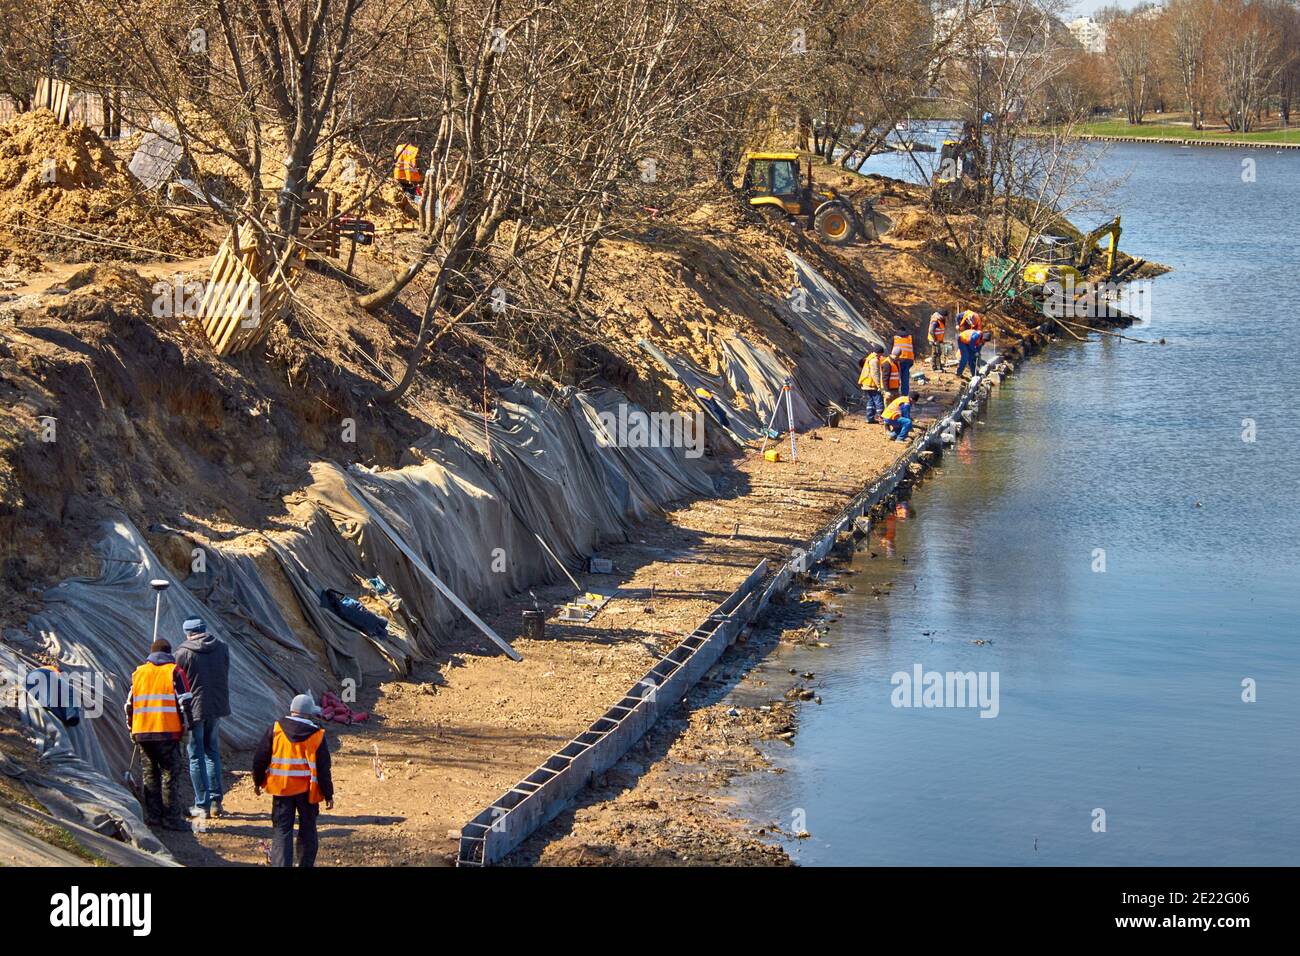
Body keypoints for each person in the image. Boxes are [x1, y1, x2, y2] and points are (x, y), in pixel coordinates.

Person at [254, 694, 334, 868]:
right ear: (309, 713)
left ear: (291, 709)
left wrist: (258, 781)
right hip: (307, 792)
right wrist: (329, 794)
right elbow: (323, 768)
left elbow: (260, 758)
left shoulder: (275, 729)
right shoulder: (317, 735)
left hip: (282, 790)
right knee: (307, 830)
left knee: (282, 831)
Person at [125, 639, 194, 831]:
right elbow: (185, 702)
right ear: (169, 653)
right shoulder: (175, 672)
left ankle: (154, 817)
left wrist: (132, 729)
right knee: (170, 775)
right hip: (167, 732)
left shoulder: (138, 673)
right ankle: (171, 818)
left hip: (143, 733)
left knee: (150, 775)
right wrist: (188, 726)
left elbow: (129, 705)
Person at [175, 617, 230, 820]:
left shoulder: (182, 653)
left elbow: (177, 682)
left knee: (195, 755)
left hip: (194, 710)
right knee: (212, 751)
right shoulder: (222, 648)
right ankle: (216, 802)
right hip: (216, 707)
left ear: (187, 632)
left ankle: (202, 804)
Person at [857, 345, 885, 423]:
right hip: (872, 384)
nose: (881, 356)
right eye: (881, 354)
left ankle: (870, 418)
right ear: (879, 353)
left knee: (870, 402)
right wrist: (879, 385)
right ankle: (881, 419)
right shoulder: (874, 360)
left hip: (866, 384)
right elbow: (875, 374)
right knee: (878, 401)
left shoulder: (869, 358)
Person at [892, 328, 915, 396]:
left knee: (895, 376)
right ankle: (904, 394)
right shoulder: (910, 338)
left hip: (898, 359)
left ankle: (895, 393)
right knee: (905, 378)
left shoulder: (895, 338)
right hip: (908, 360)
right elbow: (913, 348)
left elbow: (891, 349)